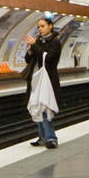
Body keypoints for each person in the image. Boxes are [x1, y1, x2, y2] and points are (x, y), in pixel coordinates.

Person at [22, 14, 62, 148]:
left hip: (48, 80)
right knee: (37, 108)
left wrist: (35, 46)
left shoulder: (55, 42)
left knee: (45, 108)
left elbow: (49, 59)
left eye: (42, 26)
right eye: (38, 27)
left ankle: (51, 138)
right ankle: (42, 137)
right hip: (36, 80)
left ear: (50, 26)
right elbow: (28, 60)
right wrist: (30, 49)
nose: (40, 29)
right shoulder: (38, 41)